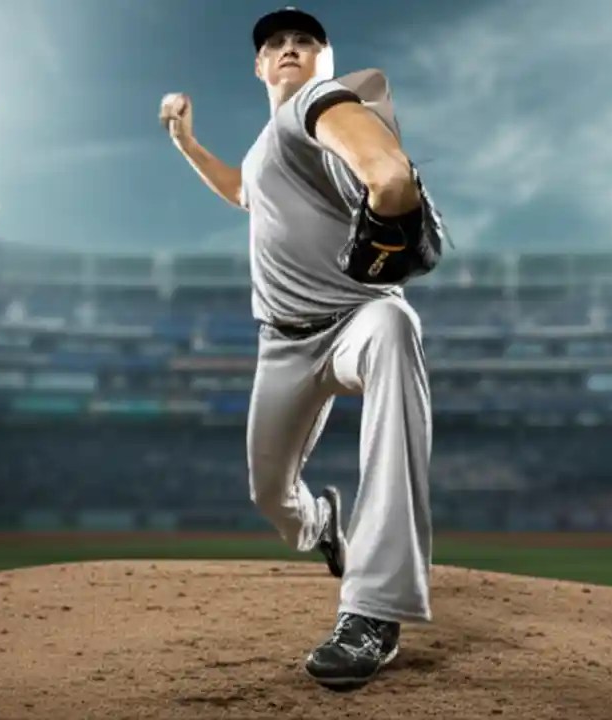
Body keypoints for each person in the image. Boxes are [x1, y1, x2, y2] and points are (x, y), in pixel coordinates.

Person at [158, 7, 441, 689]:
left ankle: (375, 607)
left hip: (357, 319)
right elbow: (241, 191)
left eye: (304, 40)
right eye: (275, 44)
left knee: (397, 333)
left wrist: (391, 183)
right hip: (282, 346)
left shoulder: (319, 100)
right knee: (270, 496)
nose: (289, 48)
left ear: (325, 55)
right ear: (259, 66)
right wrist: (187, 143)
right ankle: (323, 527)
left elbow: (387, 170)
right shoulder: (265, 147)